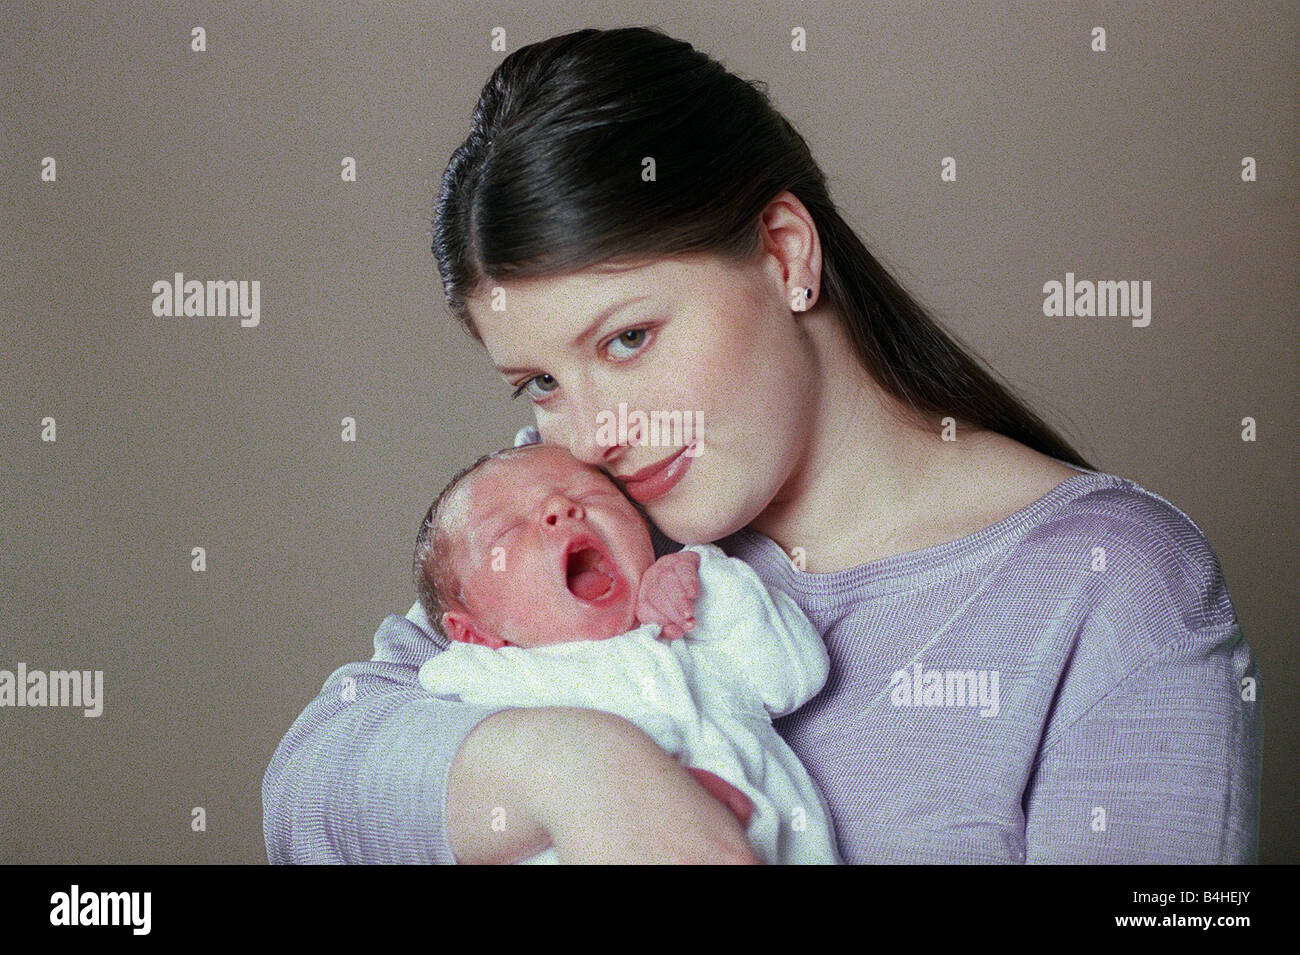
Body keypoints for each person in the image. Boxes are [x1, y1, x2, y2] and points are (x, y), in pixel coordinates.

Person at [262, 26, 1260, 864]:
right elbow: (311, 788)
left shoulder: (1109, 585)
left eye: (628, 338)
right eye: (540, 382)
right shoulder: (590, 523)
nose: (597, 431)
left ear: (785, 254)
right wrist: (585, 772)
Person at [411, 441, 841, 863]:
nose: (559, 509)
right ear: (469, 631)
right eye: (505, 532)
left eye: (591, 495)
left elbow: (792, 676)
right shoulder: (492, 679)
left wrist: (703, 579)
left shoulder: (690, 633)